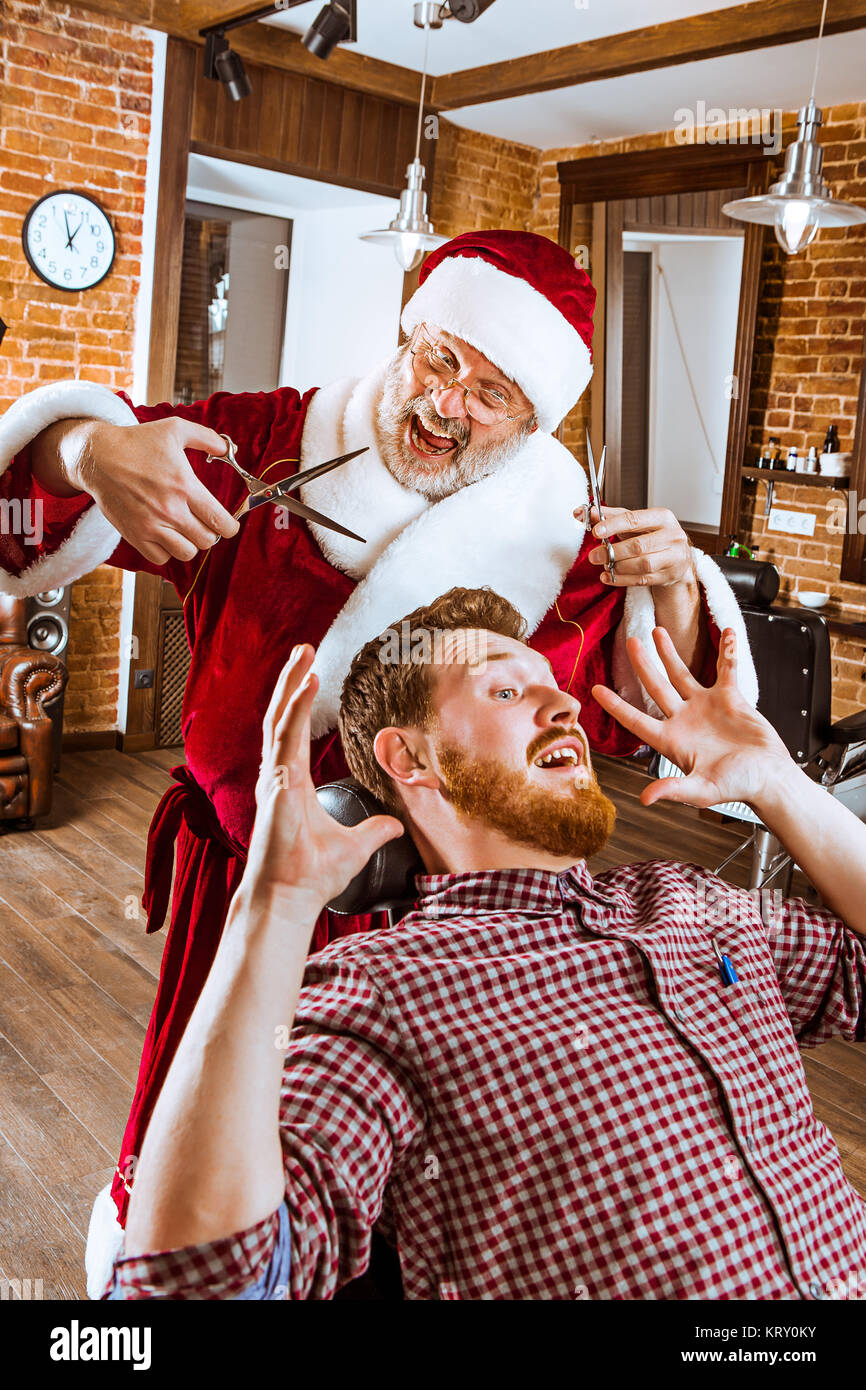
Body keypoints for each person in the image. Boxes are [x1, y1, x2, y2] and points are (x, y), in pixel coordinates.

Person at [0, 230, 755, 1277]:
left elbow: (644, 712)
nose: (449, 405)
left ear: (535, 423)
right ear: (407, 336)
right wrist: (84, 448)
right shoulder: (266, 442)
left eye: (493, 394)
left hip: (459, 941)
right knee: (204, 1200)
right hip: (251, 895)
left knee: (422, 1215)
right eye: (440, 360)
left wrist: (673, 584)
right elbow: (23, 515)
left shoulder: (562, 536)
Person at [104, 586, 864, 1300]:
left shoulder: (686, 900)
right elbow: (202, 1281)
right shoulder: (383, 993)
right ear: (412, 761)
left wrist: (778, 784)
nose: (565, 703)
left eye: (550, 683)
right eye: (506, 691)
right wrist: (269, 906)